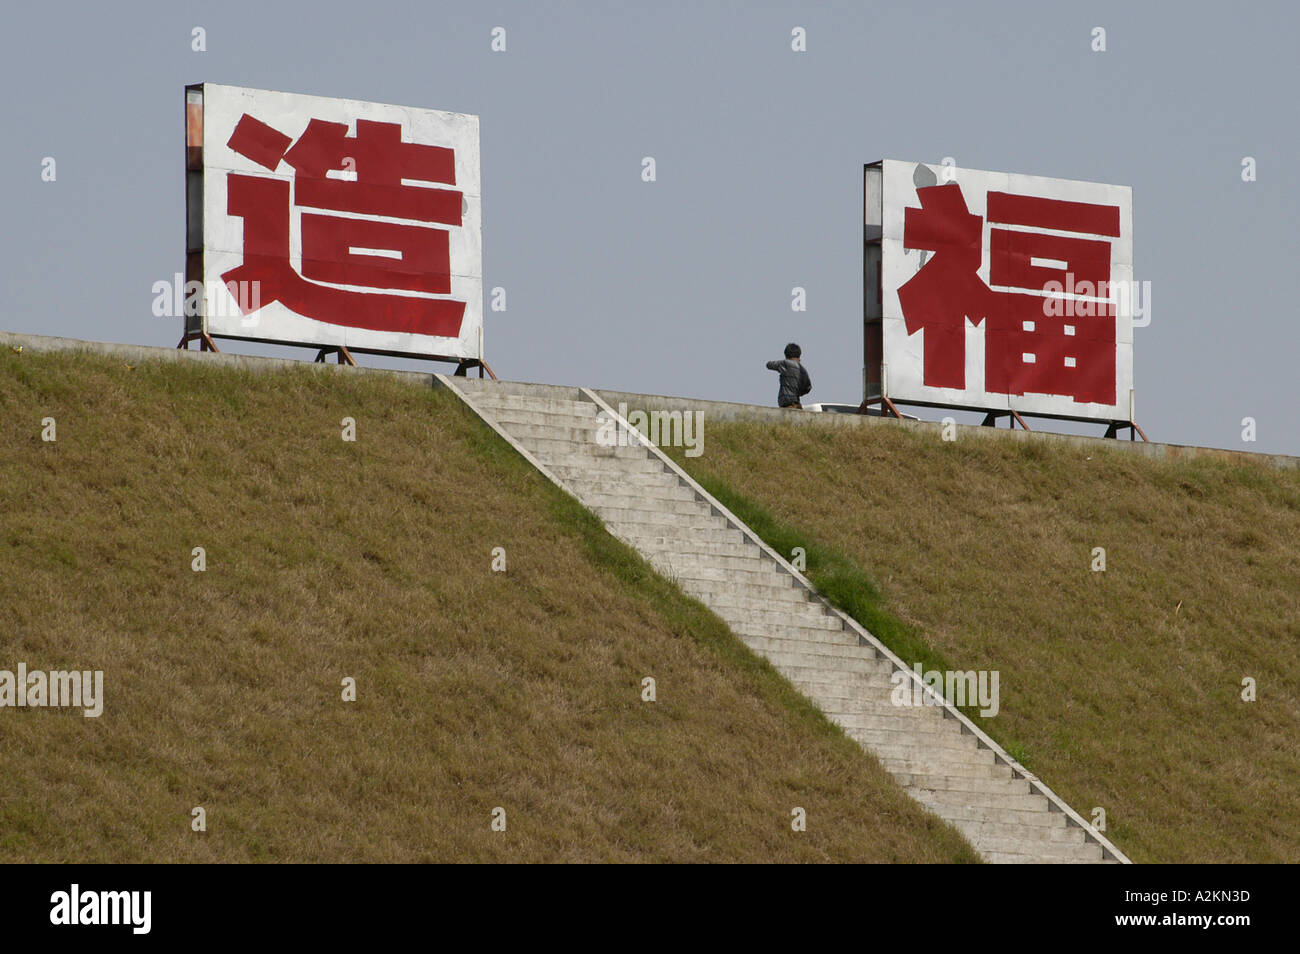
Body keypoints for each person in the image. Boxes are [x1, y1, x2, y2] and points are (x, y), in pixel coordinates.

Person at [766, 343, 811, 409]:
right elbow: (808, 388)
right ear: (799, 356)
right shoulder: (803, 370)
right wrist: (797, 392)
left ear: (786, 355)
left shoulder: (785, 364)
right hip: (796, 403)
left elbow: (769, 365)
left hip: (786, 403)